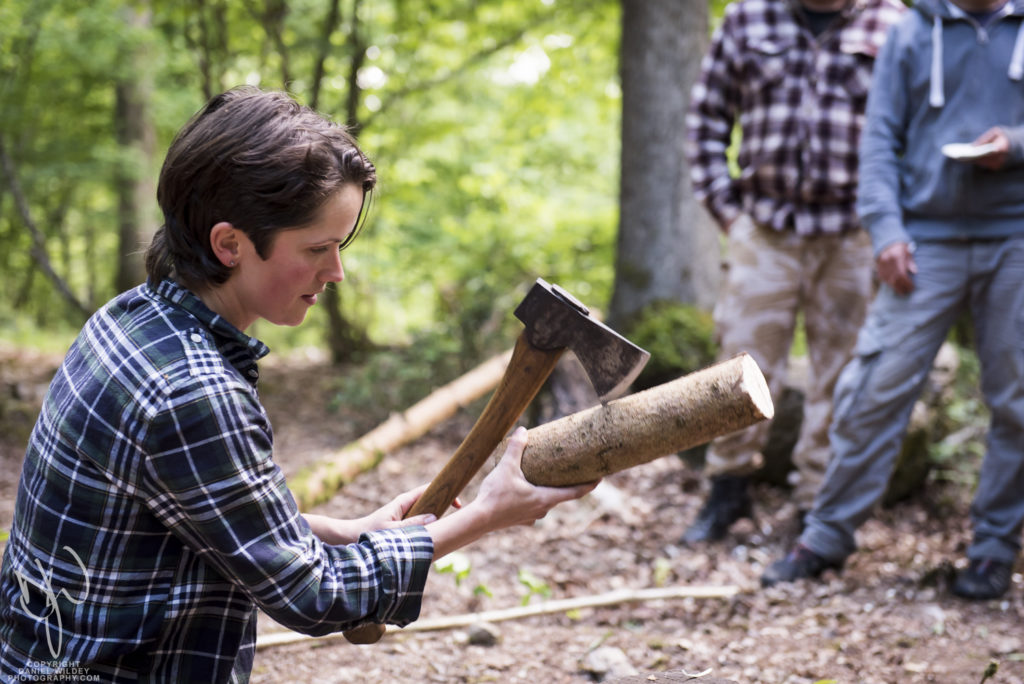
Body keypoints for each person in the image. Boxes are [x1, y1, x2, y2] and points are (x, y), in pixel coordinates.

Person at [0, 87, 597, 682]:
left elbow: (198, 513)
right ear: (229, 244)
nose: (335, 272)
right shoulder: (190, 390)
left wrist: (348, 532)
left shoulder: (128, 321)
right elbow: (311, 594)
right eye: (317, 248)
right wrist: (486, 514)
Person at [761, 0, 1024, 600]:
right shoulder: (910, 30)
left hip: (1016, 236)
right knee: (873, 388)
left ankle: (993, 550)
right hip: (924, 242)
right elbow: (878, 139)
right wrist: (886, 231)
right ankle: (826, 536)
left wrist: (1013, 142)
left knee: (1017, 398)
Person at [682, 0, 906, 543]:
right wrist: (728, 213)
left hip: (852, 231)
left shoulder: (893, 22)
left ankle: (816, 506)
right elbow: (706, 118)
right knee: (739, 363)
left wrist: (892, 222)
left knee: (844, 373)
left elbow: (911, 130)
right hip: (764, 225)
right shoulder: (747, 17)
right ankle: (728, 489)